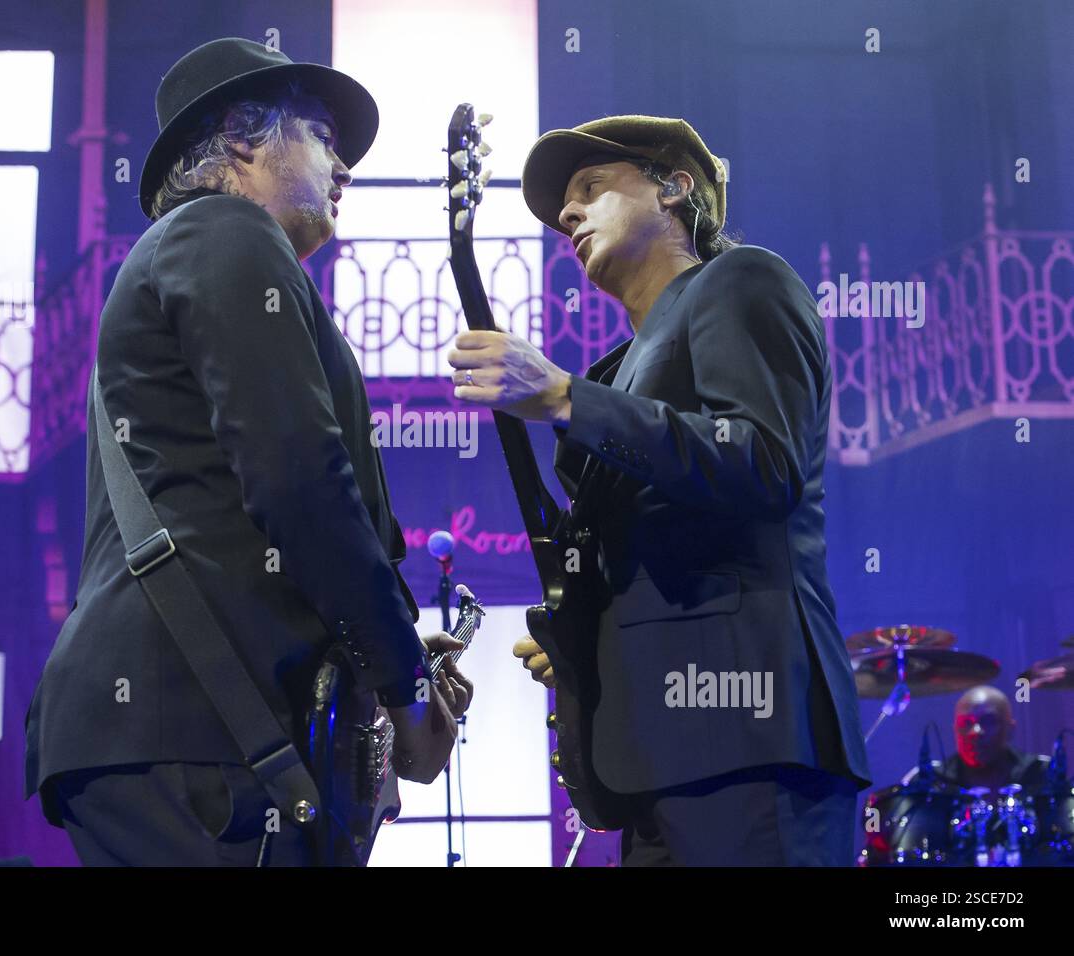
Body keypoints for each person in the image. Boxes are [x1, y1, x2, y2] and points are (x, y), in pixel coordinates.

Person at [24, 37, 470, 867]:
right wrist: (407, 691)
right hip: (193, 728)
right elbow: (300, 482)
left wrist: (388, 659)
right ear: (240, 134)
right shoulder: (224, 228)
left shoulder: (191, 256)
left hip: (177, 725)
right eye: (324, 137)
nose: (345, 168)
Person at [447, 115, 870, 865]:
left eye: (591, 187)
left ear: (674, 189)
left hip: (749, 740)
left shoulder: (740, 280)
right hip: (653, 755)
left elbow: (763, 463)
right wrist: (588, 641)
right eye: (565, 205)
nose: (568, 213)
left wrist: (566, 398)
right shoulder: (615, 372)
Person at [901, 685, 1048, 790]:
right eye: (966, 723)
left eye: (988, 721)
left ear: (1010, 729)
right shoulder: (930, 780)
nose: (975, 732)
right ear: (955, 730)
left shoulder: (1040, 773)